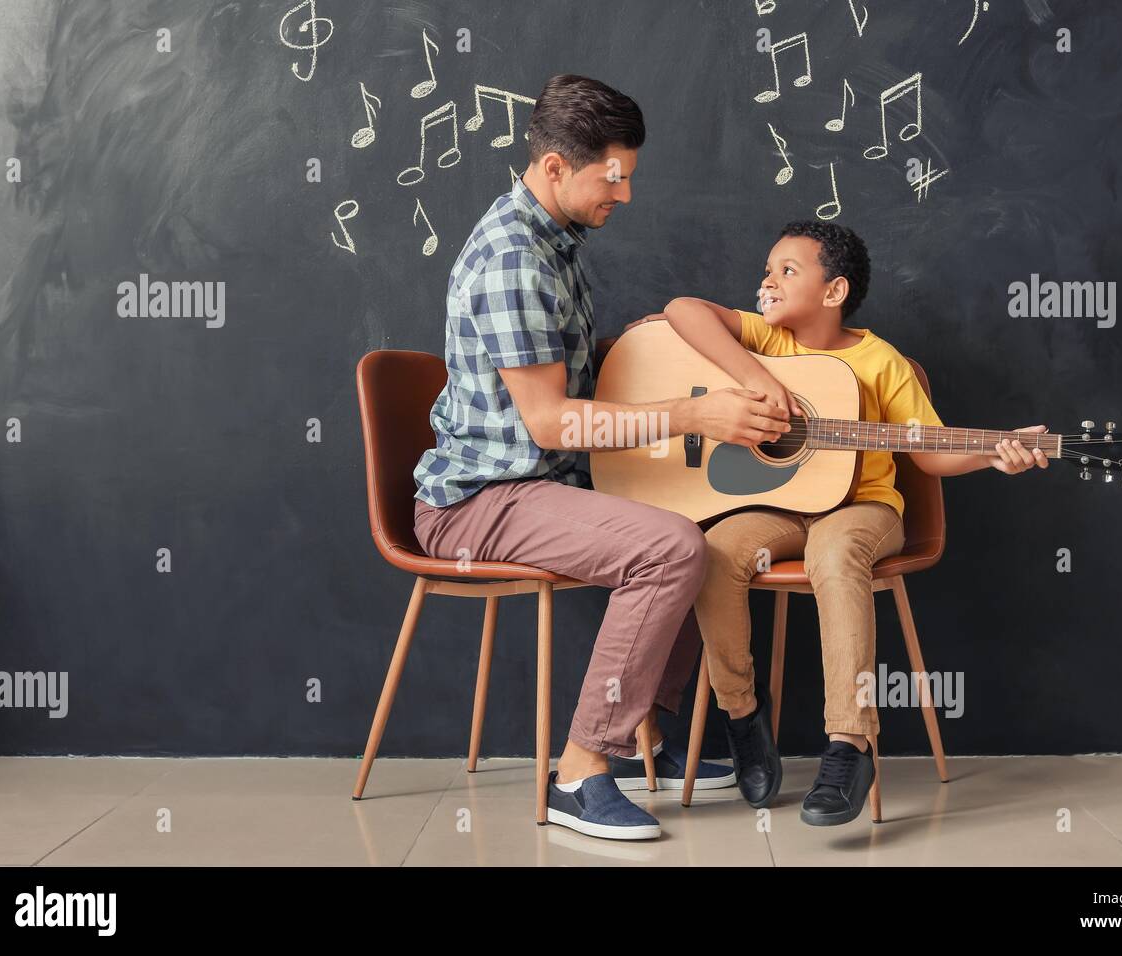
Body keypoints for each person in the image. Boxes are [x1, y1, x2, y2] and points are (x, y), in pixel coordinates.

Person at [411, 74, 792, 841]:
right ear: (555, 167)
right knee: (668, 549)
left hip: (538, 485)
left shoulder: (556, 243)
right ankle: (582, 772)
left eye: (628, 175)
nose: (623, 194)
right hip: (480, 502)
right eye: (611, 177)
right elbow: (551, 424)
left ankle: (646, 729)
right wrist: (689, 414)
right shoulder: (517, 259)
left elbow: (567, 383)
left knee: (703, 524)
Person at [639, 220, 1049, 826]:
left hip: (864, 511)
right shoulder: (766, 340)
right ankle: (744, 719)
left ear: (833, 292)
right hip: (782, 509)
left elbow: (929, 452)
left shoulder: (879, 360)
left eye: (788, 271)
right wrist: (758, 379)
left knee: (833, 555)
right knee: (714, 552)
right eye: (768, 268)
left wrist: (993, 450)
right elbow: (681, 310)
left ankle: (849, 747)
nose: (768, 281)